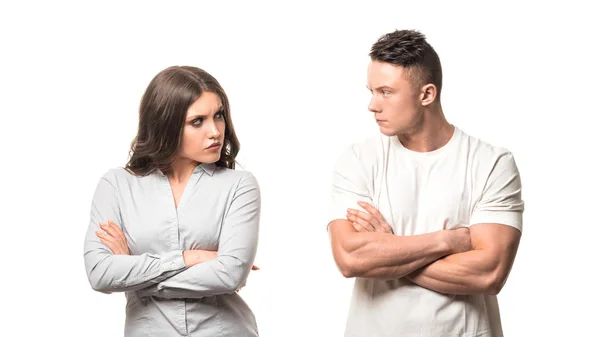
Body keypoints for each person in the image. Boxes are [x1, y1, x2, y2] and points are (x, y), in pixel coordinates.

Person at [327, 29, 524, 337]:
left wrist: (388, 250)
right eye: (371, 91)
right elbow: (351, 258)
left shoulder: (492, 163)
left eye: (386, 92)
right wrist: (447, 241)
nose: (372, 105)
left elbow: (489, 273)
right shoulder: (358, 159)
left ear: (427, 94)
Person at [83, 66, 261, 337]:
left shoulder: (239, 186)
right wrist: (191, 258)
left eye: (219, 116)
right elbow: (100, 273)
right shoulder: (117, 185)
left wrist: (134, 276)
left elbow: (229, 275)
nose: (215, 131)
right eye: (197, 121)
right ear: (165, 124)